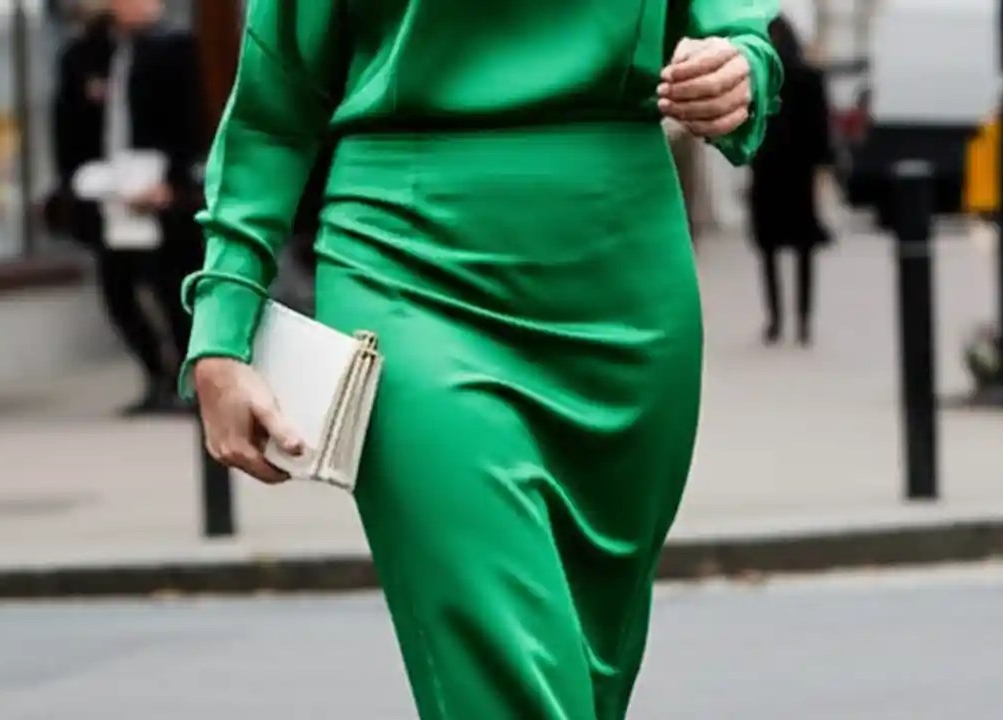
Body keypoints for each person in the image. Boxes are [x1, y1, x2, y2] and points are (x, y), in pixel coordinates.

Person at [186, 2, 781, 717]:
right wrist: (219, 330)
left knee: (589, 678)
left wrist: (741, 71)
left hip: (623, 285)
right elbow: (270, 110)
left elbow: (739, 35)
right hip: (410, 268)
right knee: (512, 681)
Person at [50, 0, 208, 415]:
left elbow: (193, 119)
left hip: (159, 186)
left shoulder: (175, 48)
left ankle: (190, 383)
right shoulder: (87, 54)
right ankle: (155, 375)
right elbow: (67, 122)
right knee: (117, 288)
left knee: (172, 288)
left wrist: (173, 179)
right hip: (108, 186)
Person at [748, 15, 833, 346]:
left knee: (769, 251)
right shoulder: (809, 78)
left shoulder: (763, 77)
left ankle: (775, 320)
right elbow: (822, 133)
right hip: (798, 175)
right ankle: (802, 321)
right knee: (803, 251)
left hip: (769, 173)